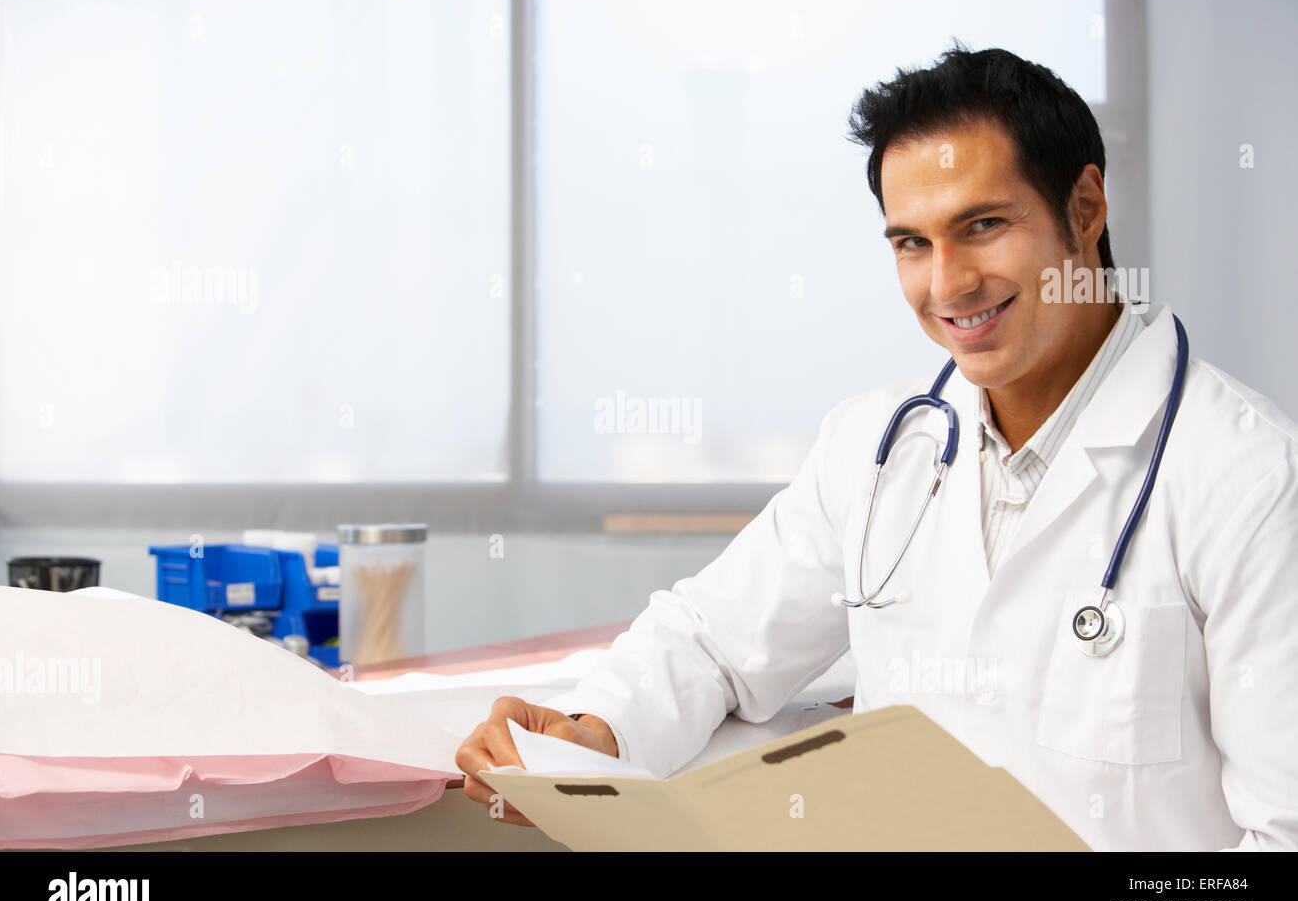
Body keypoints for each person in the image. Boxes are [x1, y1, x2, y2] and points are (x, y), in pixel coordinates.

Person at [456, 43, 1298, 850]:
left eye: (983, 225)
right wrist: (590, 734)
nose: (948, 284)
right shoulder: (876, 449)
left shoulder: (1248, 477)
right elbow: (714, 641)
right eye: (912, 242)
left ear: (1084, 208)